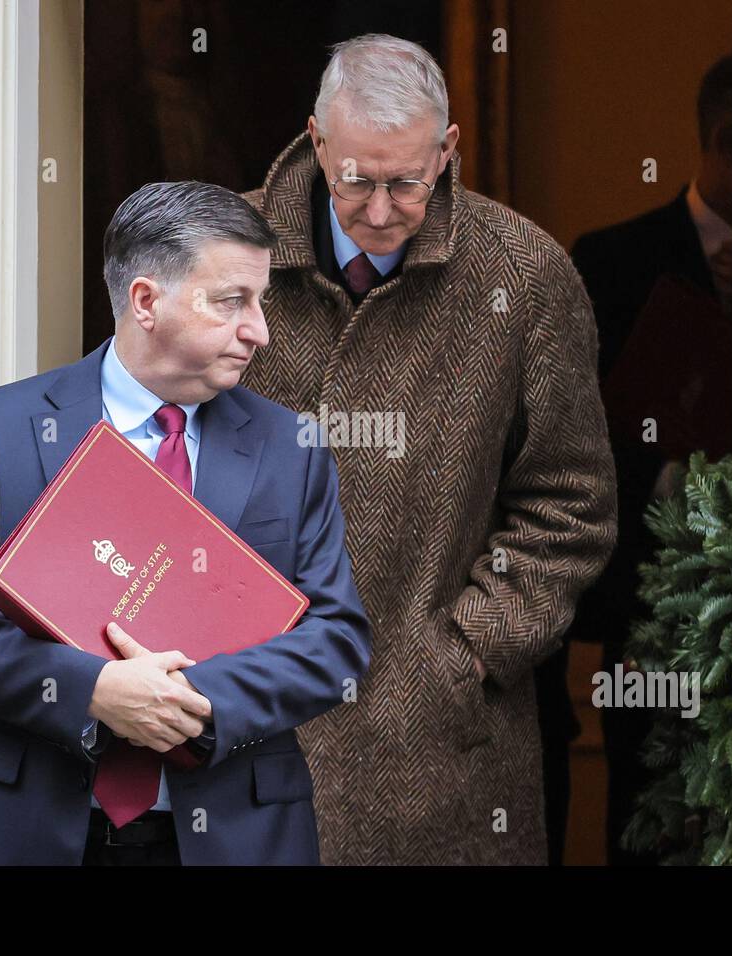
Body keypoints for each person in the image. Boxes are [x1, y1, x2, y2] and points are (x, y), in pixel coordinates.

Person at [0, 181, 371, 865]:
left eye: (260, 302)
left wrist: (188, 700)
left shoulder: (289, 446)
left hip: (235, 837)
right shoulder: (1, 426)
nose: (259, 331)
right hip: (26, 826)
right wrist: (94, 692)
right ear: (146, 301)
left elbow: (335, 643)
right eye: (231, 301)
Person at [238, 34, 617, 865]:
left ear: (447, 151)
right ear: (317, 142)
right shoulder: (228, 257)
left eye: (407, 182)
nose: (379, 210)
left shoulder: (525, 274)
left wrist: (460, 657)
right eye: (357, 181)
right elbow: (154, 453)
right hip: (254, 721)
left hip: (442, 754)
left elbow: (571, 503)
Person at [567, 55, 732, 865]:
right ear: (724, 140)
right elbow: (569, 440)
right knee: (644, 819)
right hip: (646, 600)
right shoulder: (611, 261)